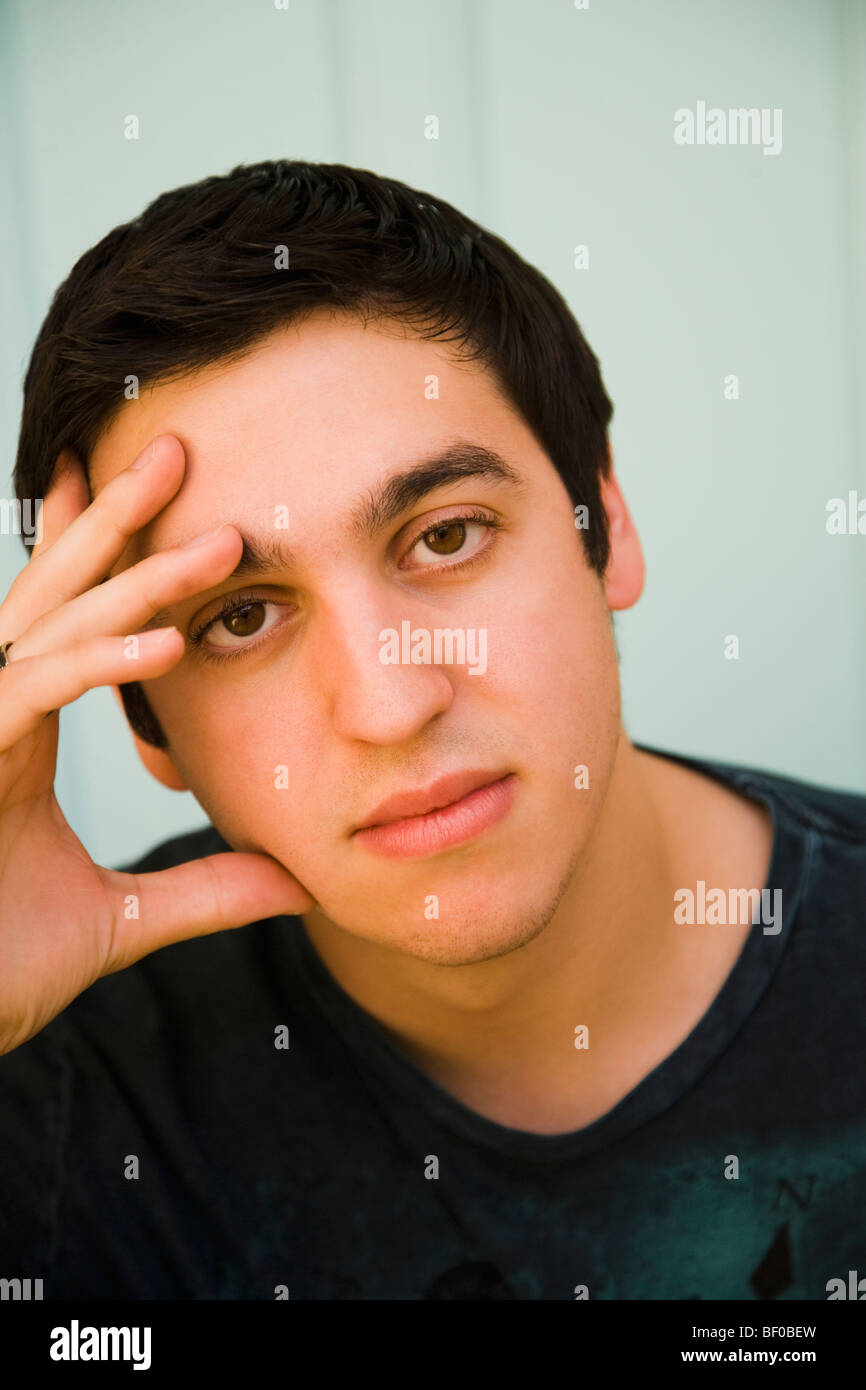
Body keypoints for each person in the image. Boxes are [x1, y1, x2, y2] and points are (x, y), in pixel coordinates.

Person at [0, 161, 863, 1301]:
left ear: (603, 521)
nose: (389, 702)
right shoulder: (53, 1076)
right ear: (143, 719)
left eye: (445, 536)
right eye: (240, 616)